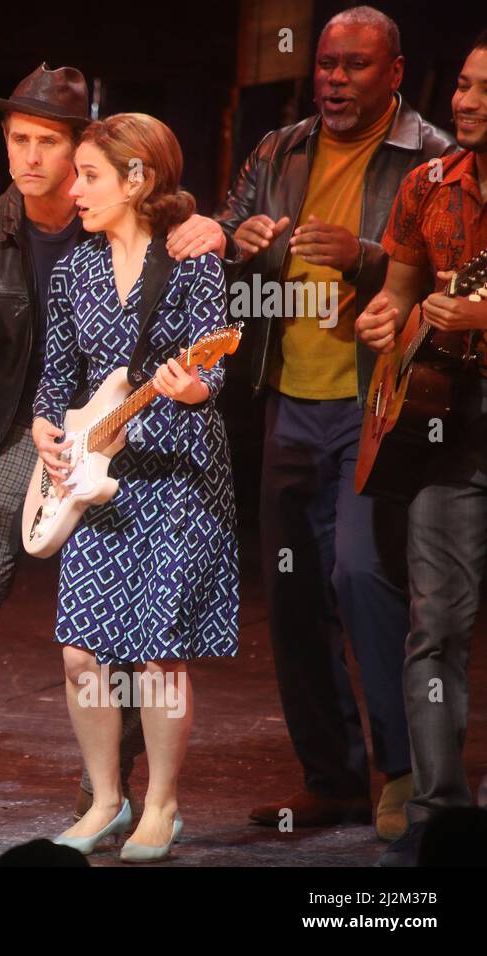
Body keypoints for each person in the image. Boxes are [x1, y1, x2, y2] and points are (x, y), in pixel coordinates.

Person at [0, 63, 227, 848]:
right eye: (19, 141)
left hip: (144, 442)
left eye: (53, 145)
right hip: (29, 434)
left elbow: (207, 354)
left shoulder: (173, 242)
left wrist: (210, 234)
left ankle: (117, 793)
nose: (34, 161)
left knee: (149, 642)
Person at [213, 6, 455, 840]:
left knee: (360, 574)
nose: (334, 80)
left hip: (379, 398)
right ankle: (332, 775)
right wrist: (239, 239)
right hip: (290, 397)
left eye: (354, 66)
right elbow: (226, 228)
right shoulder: (280, 149)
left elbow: (458, 275)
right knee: (291, 589)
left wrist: (368, 257)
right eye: (325, 64)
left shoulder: (430, 158)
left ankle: (400, 769)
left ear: (394, 73)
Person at [32, 112, 239, 863]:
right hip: (97, 476)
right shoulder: (74, 270)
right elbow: (58, 375)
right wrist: (44, 428)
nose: (73, 188)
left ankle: (162, 804)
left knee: (158, 656)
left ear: (136, 179)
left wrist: (190, 387)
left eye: (89, 175)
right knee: (81, 653)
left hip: (178, 477)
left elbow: (213, 366)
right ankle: (107, 798)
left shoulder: (191, 263)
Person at [356, 30, 487, 866]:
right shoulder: (429, 184)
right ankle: (444, 816)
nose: (465, 101)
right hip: (449, 426)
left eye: (484, 90)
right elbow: (398, 295)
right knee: (435, 623)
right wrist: (383, 321)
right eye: (466, 85)